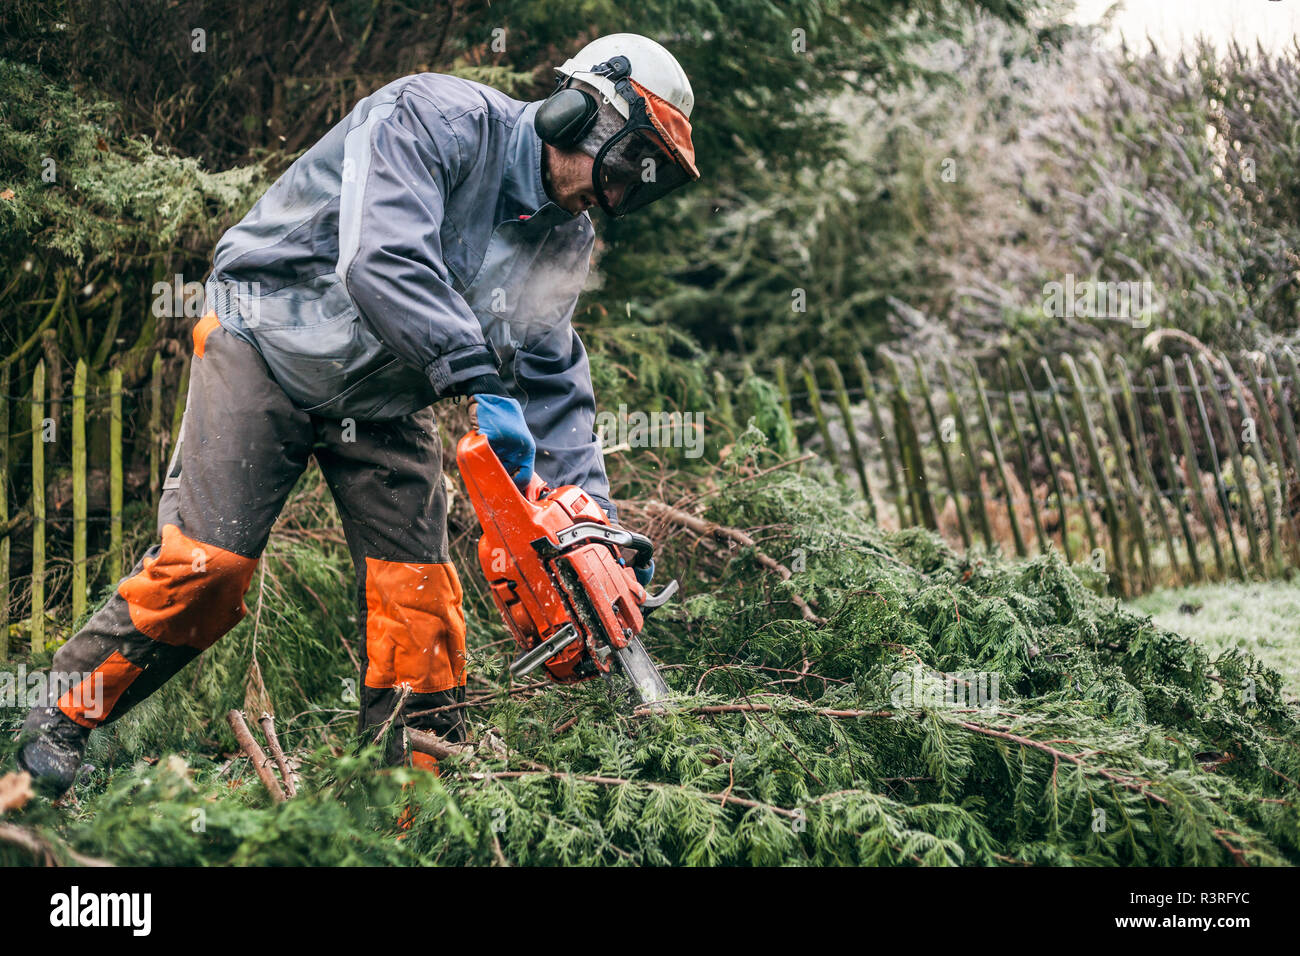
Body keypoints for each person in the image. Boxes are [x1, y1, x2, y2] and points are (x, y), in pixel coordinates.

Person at [15, 32, 700, 794]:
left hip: (382, 399)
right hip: (266, 341)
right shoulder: (433, 118)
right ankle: (60, 712)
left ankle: (410, 799)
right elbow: (379, 256)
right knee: (209, 568)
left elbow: (552, 372)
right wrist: (477, 376)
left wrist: (590, 518)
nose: (615, 197)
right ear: (576, 115)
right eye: (623, 170)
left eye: (640, 186)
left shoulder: (565, 241)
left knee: (421, 602)